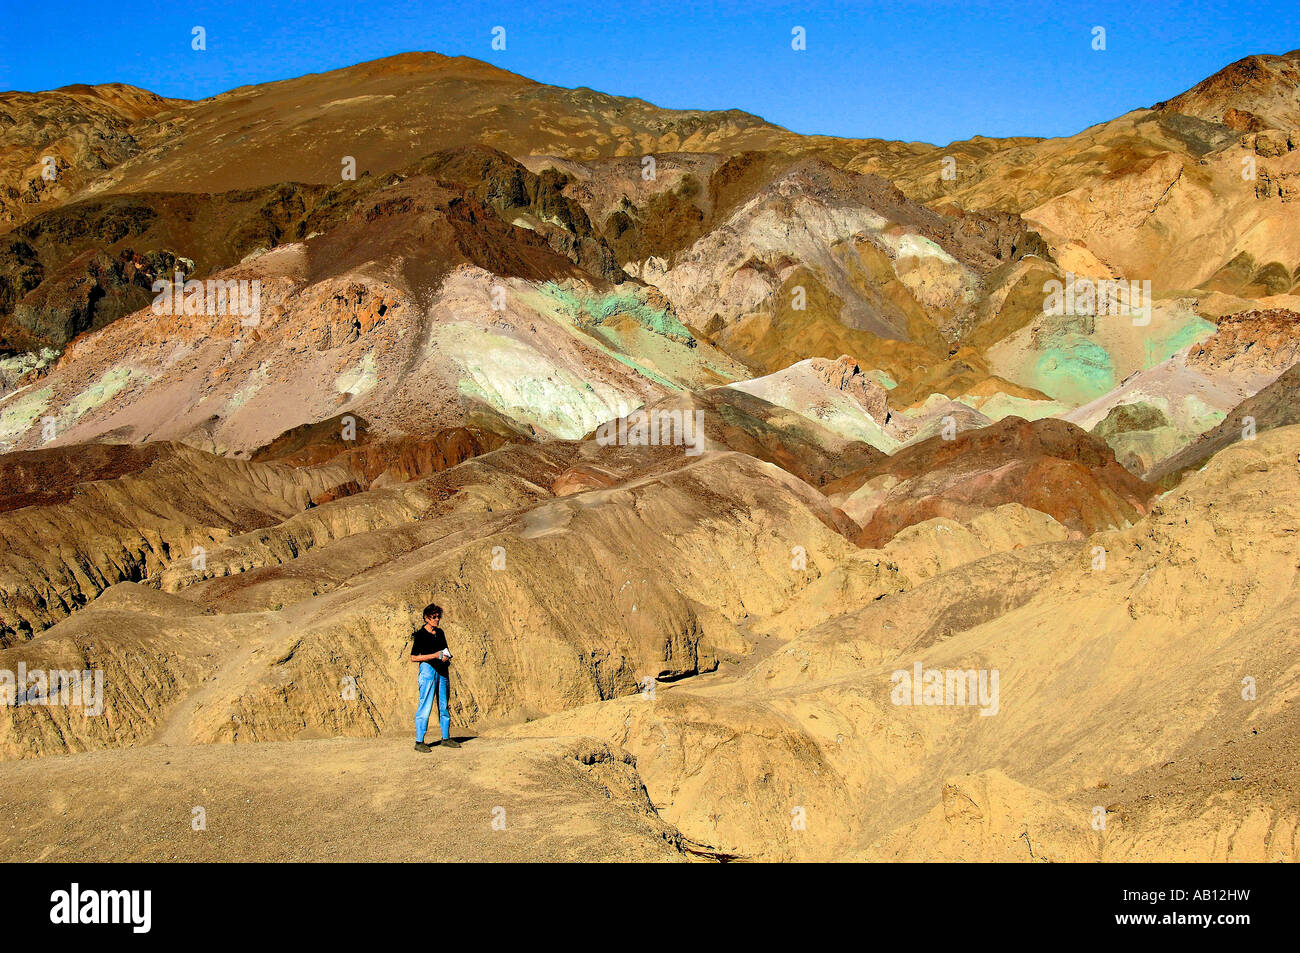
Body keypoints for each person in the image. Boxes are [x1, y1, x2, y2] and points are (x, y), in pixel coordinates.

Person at [410, 603, 459, 752]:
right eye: (434, 617)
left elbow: (445, 649)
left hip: (442, 671)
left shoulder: (440, 633)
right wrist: (434, 656)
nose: (436, 619)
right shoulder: (420, 635)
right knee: (425, 705)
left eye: (438, 617)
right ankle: (419, 741)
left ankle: (446, 738)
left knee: (443, 705)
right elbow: (413, 657)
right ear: (426, 618)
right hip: (428, 671)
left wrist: (446, 656)